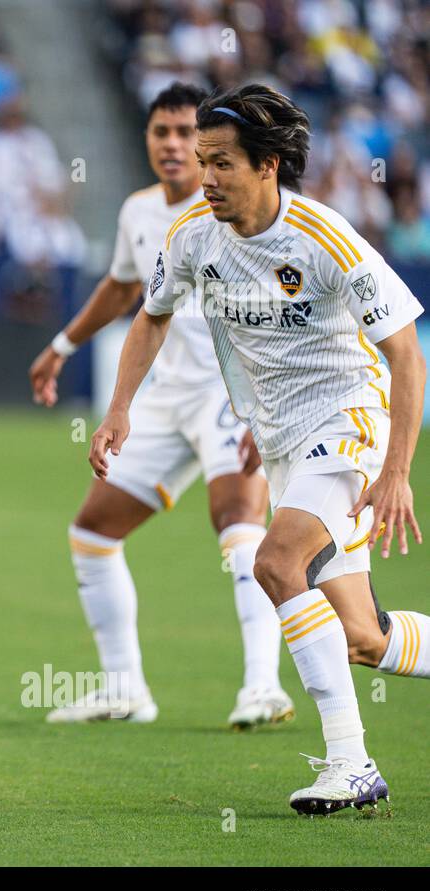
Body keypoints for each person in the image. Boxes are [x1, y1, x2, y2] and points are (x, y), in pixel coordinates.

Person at [91, 84, 426, 815]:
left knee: (273, 562)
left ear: (269, 165)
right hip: (281, 440)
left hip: (348, 420)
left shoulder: (325, 236)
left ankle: (352, 763)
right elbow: (149, 318)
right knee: (364, 638)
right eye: (203, 162)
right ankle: (353, 752)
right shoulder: (192, 237)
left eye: (222, 163)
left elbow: (405, 353)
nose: (205, 177)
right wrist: (121, 409)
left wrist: (395, 471)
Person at [30, 83, 291, 728]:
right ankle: (125, 690)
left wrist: (273, 403)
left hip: (232, 399)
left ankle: (262, 686)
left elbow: (297, 310)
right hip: (164, 400)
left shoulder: (256, 215)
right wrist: (64, 344)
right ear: (147, 140)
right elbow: (125, 288)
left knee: (238, 526)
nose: (173, 146)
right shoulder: (141, 213)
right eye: (161, 133)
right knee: (92, 534)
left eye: (184, 134)